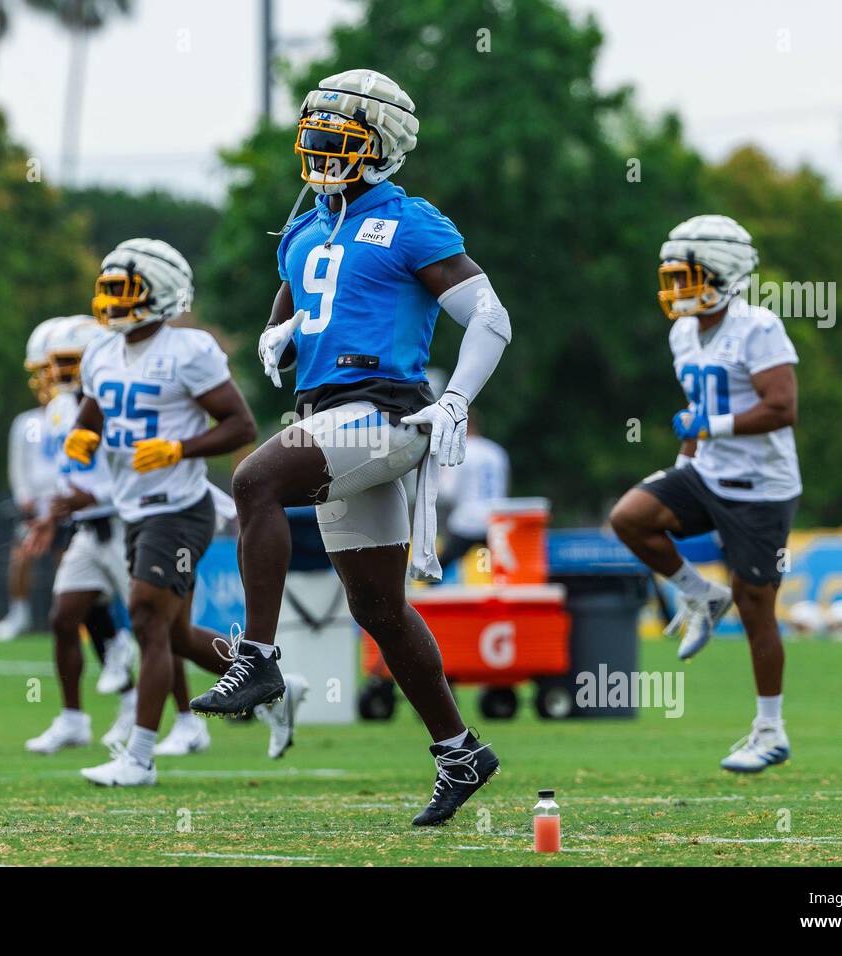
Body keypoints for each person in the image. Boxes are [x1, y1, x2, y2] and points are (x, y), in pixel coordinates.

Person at [190, 70, 513, 826]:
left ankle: (257, 660)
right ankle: (461, 752)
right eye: (315, 138)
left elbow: (490, 317)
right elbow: (301, 287)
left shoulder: (410, 220)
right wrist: (281, 328)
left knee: (254, 482)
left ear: (382, 147)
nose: (321, 153)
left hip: (385, 413)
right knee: (380, 607)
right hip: (330, 417)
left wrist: (456, 402)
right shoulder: (306, 224)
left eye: (339, 141)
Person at [65, 238, 306, 786]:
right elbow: (93, 410)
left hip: (178, 507)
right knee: (170, 634)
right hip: (134, 507)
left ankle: (139, 757)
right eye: (107, 290)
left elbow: (241, 427)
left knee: (146, 617)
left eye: (124, 290)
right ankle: (275, 687)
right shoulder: (101, 350)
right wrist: (82, 436)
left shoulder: (187, 350)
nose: (111, 301)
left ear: (160, 293)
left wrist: (180, 449)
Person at [609, 214, 800, 773]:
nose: (675, 290)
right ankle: (699, 594)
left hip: (760, 487)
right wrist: (684, 462)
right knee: (631, 517)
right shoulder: (682, 332)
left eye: (687, 276)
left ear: (725, 273)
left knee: (757, 607)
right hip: (706, 471)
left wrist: (709, 427)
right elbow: (696, 420)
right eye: (671, 278)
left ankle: (770, 729)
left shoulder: (757, 326)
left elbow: (782, 407)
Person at [22, 316, 139, 754]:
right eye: (52, 366)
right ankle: (76, 718)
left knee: (165, 632)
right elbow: (68, 478)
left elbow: (125, 471)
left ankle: (240, 698)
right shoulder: (57, 411)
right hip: (90, 532)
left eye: (68, 364)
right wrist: (51, 517)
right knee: (65, 615)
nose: (55, 375)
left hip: (126, 525)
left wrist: (90, 499)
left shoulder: (112, 402)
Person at [0, 317, 67, 641]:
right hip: (36, 505)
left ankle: (72, 618)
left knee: (66, 562)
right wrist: (23, 497)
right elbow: (18, 466)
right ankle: (19, 613)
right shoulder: (26, 423)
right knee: (21, 557)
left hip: (68, 502)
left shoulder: (74, 417)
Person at [437, 411, 509, 573]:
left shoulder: (461, 451)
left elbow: (448, 492)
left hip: (467, 521)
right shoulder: (496, 451)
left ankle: (426, 593)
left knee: (441, 568)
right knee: (503, 567)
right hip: (495, 520)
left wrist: (439, 476)